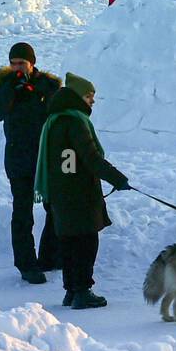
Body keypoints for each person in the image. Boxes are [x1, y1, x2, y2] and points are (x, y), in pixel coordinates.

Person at [35, 72, 131, 309]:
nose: (92, 101)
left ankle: (71, 290)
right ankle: (82, 291)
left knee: (69, 242)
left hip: (60, 191)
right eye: (89, 96)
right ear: (78, 96)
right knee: (86, 242)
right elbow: (90, 157)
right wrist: (117, 178)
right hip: (79, 192)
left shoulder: (55, 119)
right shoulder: (76, 121)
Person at [0, 42, 63, 285]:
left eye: (22, 63)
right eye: (13, 63)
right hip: (19, 160)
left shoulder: (48, 85)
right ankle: (26, 264)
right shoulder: (5, 85)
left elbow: (58, 113)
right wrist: (10, 88)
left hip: (44, 159)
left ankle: (50, 257)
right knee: (22, 213)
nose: (17, 67)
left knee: (54, 209)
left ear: (32, 62)